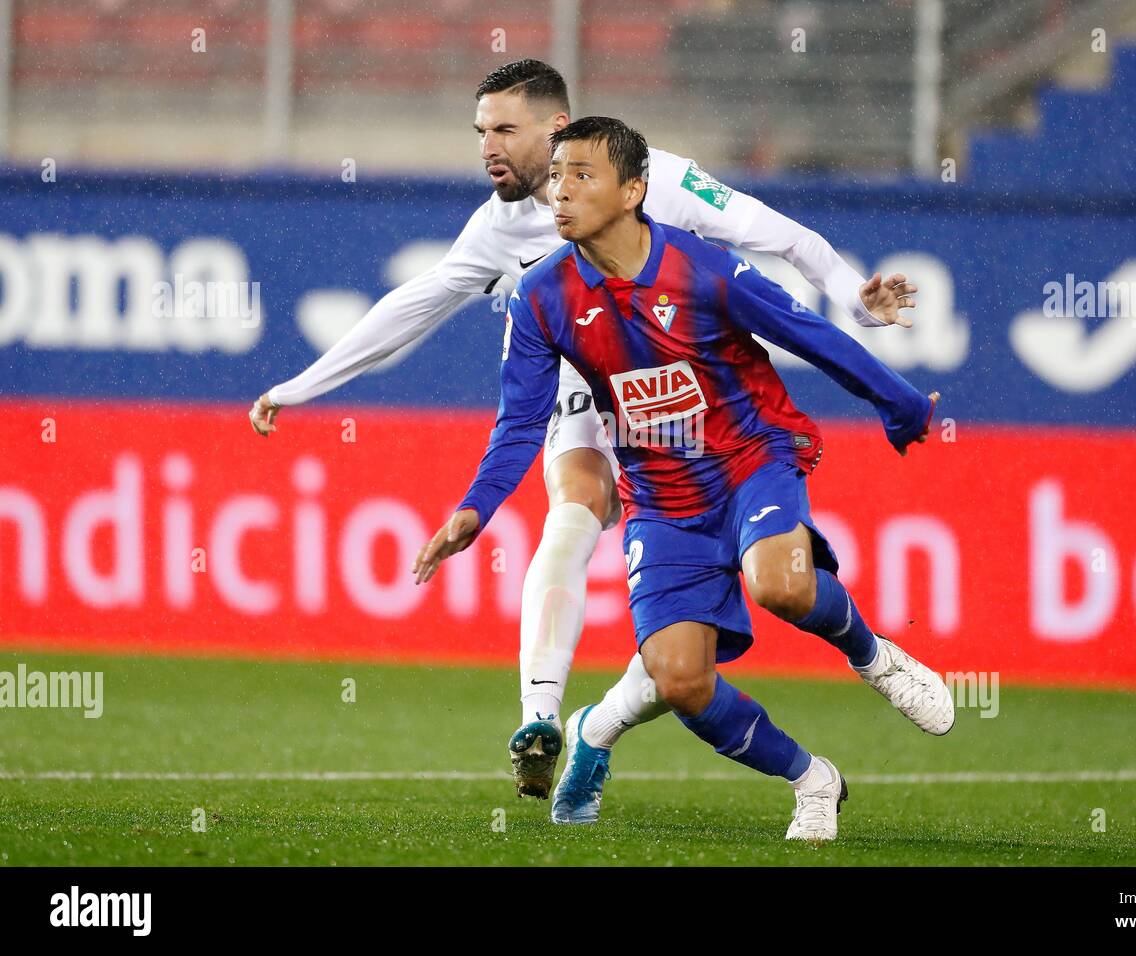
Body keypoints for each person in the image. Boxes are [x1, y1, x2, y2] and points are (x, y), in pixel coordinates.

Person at [249, 59, 925, 802]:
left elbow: (778, 236)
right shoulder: (500, 230)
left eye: (504, 128)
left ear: (558, 128)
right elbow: (416, 303)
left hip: (688, 386)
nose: (488, 147)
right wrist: (301, 386)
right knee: (573, 513)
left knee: (728, 616)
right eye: (480, 131)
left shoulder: (655, 179)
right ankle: (539, 716)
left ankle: (599, 726)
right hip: (581, 367)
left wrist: (854, 305)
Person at [412, 117, 953, 841]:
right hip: (661, 497)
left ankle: (874, 658)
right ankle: (812, 778)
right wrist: (474, 510)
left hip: (750, 455)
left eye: (582, 175)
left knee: (780, 583)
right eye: (557, 176)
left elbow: (810, 335)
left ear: (634, 189)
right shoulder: (541, 297)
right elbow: (518, 424)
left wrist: (901, 405)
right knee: (680, 680)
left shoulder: (703, 269)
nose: (559, 193)